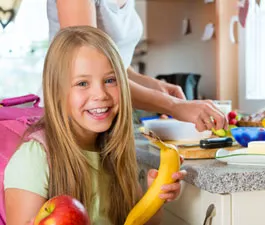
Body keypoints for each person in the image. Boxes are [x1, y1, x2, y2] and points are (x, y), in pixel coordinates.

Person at [4, 26, 186, 225]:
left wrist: (156, 197)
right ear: (56, 92)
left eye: (110, 80)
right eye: (82, 83)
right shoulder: (33, 159)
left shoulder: (114, 152)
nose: (100, 94)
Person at [46, 0, 228, 132]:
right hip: (70, 121)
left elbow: (116, 65)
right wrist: (174, 105)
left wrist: (152, 84)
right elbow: (91, 71)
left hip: (104, 125)